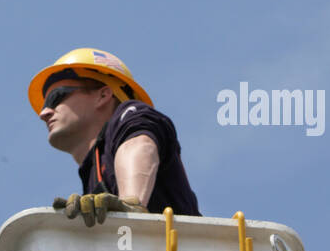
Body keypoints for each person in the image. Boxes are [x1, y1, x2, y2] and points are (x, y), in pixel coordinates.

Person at [29, 48, 201, 226]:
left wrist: (131, 205)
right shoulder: (93, 171)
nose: (44, 113)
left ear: (103, 95)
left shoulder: (130, 114)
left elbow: (140, 144)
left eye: (55, 98)